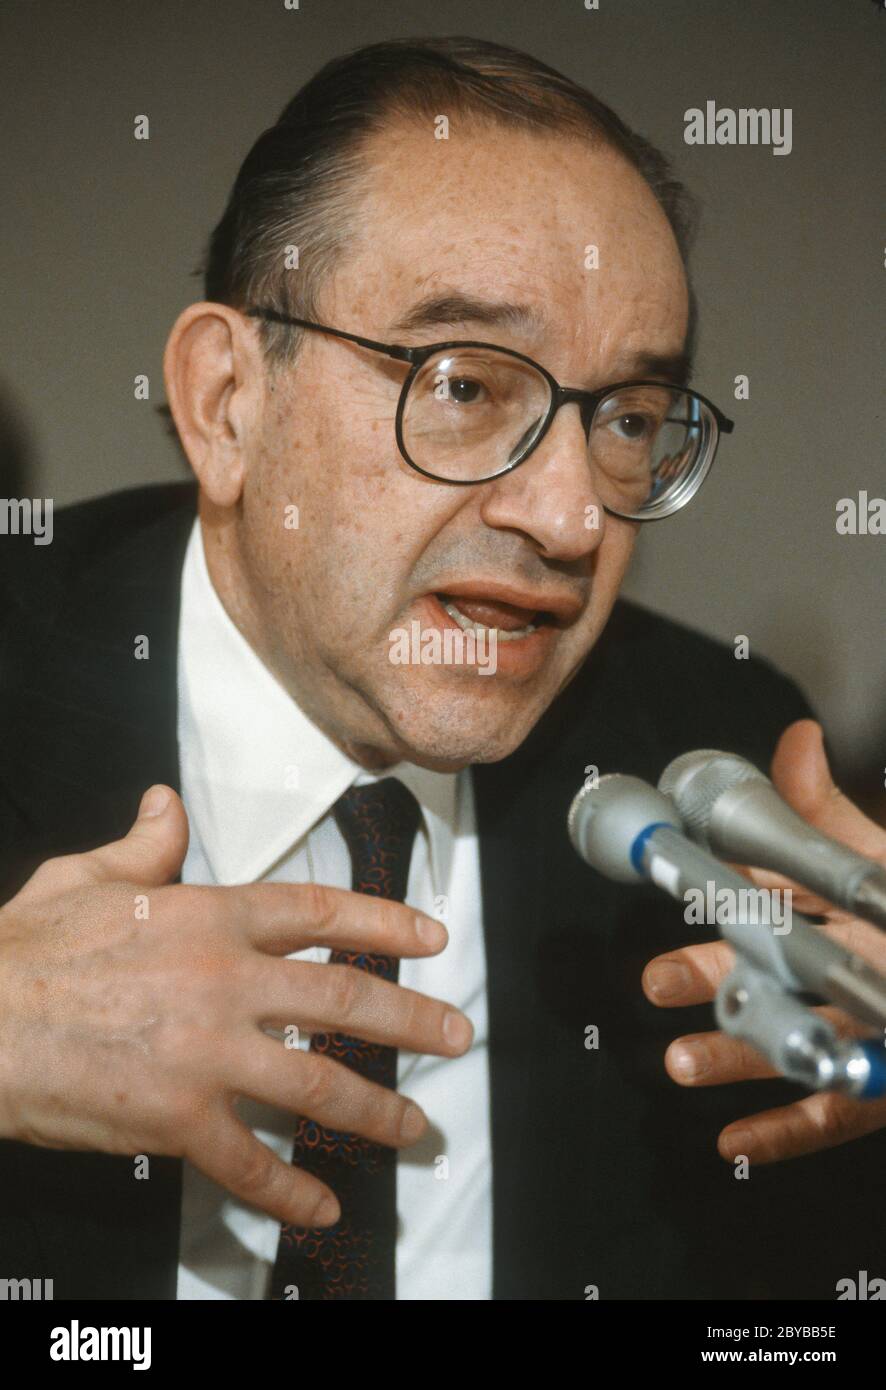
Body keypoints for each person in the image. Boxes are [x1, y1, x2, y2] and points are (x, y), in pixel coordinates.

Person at [1, 36, 884, 1302]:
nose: (573, 517)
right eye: (465, 383)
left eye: (629, 419)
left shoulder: (706, 756)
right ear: (226, 402)